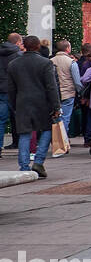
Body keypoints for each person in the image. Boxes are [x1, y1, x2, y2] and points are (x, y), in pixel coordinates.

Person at [5, 35, 60, 178]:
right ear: (37, 46)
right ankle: (39, 160)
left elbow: (11, 88)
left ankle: (24, 166)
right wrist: (56, 106)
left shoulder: (14, 64)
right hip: (41, 102)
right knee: (47, 130)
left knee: (24, 133)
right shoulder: (45, 63)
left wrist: (14, 103)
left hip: (22, 101)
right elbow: (51, 87)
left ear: (23, 46)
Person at [50, 39, 84, 143]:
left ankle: (56, 139)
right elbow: (77, 81)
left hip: (53, 93)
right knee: (65, 118)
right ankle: (62, 141)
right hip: (68, 93)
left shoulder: (50, 61)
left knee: (55, 117)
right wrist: (81, 92)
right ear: (68, 49)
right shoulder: (71, 62)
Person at [0, 32, 21, 159]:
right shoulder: (18, 55)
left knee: (1, 120)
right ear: (18, 42)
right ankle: (20, 143)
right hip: (14, 91)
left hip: (1, 90)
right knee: (19, 118)